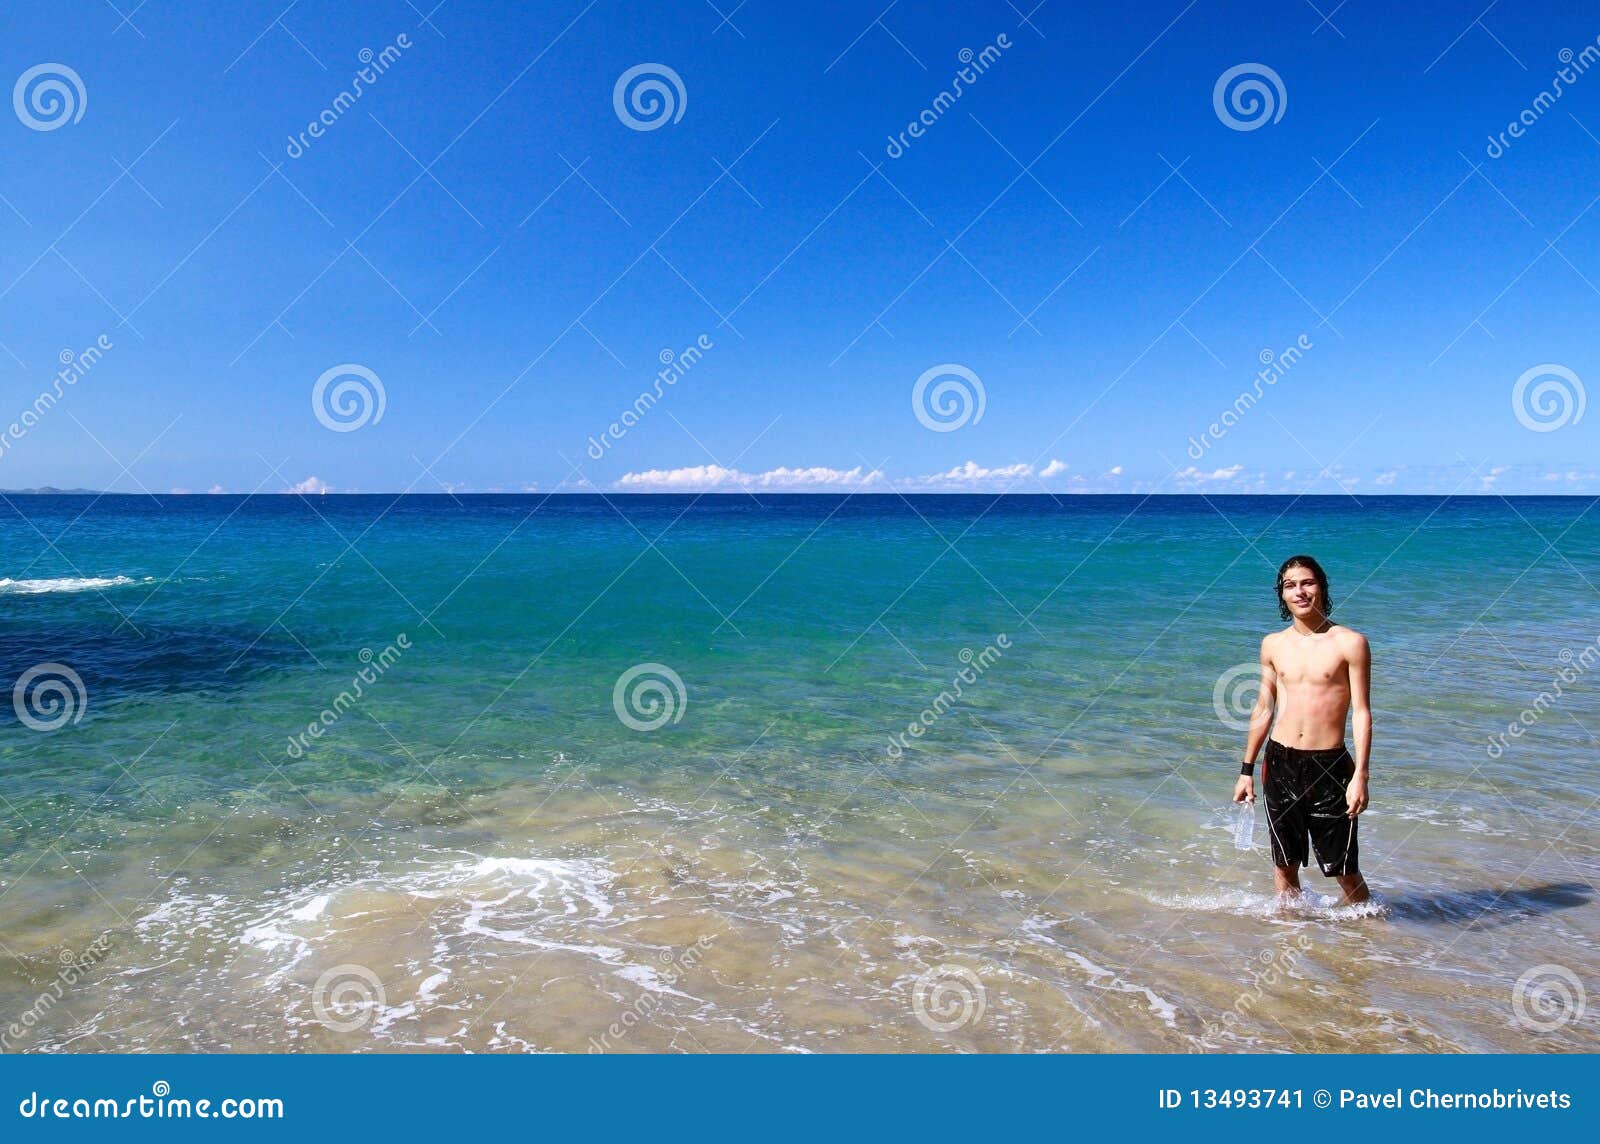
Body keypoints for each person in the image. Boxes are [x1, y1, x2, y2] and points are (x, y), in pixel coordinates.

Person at [1233, 555, 1371, 904]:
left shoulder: (1350, 642)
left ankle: (1370, 942)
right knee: (1284, 864)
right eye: (1290, 585)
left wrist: (1361, 776)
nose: (1300, 591)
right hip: (1280, 764)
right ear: (1281, 594)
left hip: (1330, 765)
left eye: (1307, 582)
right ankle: (1289, 939)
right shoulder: (1273, 645)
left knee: (1344, 869)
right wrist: (1246, 770)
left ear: (1322, 586)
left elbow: (1362, 712)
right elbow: (1263, 708)